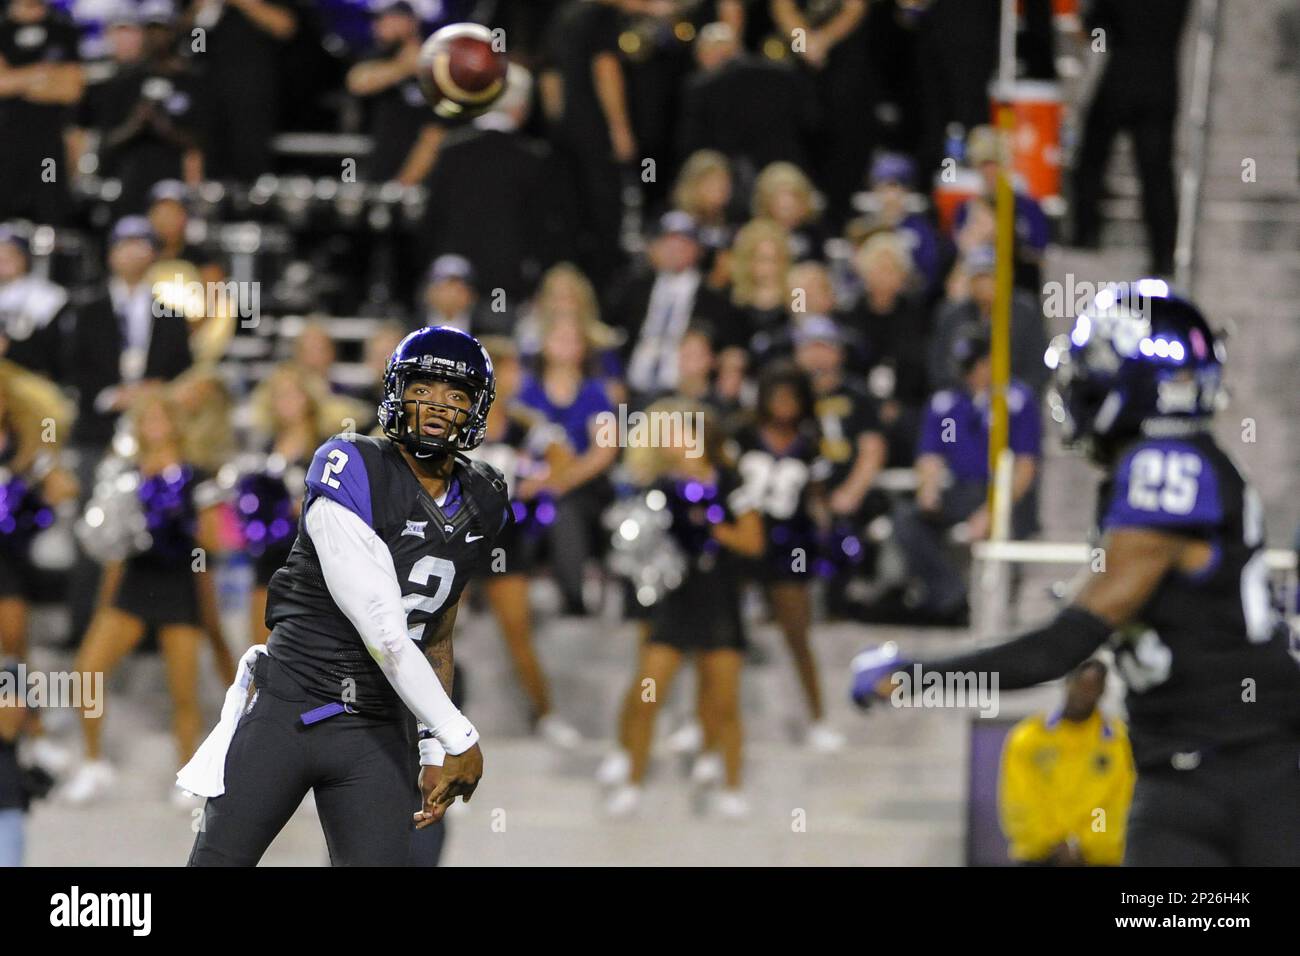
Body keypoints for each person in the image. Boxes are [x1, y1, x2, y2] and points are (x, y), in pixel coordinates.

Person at [853, 285, 1300, 865]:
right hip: (1178, 767)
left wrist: (917, 679)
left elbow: (1061, 648)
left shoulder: (1167, 464)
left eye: (1092, 374)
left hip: (1254, 769)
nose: (1079, 389)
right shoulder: (1158, 467)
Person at [186, 326, 511, 866]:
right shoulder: (350, 462)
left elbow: (437, 630)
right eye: (423, 388)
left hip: (378, 728)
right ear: (396, 391)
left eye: (456, 395)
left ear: (476, 409)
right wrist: (458, 733)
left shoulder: (484, 495)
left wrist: (432, 741)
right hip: (292, 706)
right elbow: (384, 629)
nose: (437, 405)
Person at [61, 384, 227, 804]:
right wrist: (105, 601)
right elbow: (112, 549)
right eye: (146, 419)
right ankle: (94, 762)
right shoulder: (126, 475)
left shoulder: (196, 475)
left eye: (161, 418)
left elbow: (213, 543)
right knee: (87, 672)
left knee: (184, 690)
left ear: (174, 423)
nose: (154, 426)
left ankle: (189, 775)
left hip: (179, 587)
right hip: (135, 584)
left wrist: (195, 526)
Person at [603, 400, 764, 818]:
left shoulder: (731, 484)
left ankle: (731, 786)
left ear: (703, 439)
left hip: (719, 600)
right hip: (674, 601)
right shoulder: (660, 488)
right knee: (648, 691)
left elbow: (753, 541)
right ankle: (632, 781)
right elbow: (631, 540)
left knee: (723, 699)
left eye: (683, 433)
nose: (674, 442)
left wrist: (712, 528)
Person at [468, 337, 582, 748]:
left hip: (503, 542)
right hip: (455, 538)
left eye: (515, 370)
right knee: (430, 629)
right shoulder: (459, 421)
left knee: (518, 634)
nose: (513, 378)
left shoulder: (526, 425)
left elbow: (565, 461)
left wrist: (542, 483)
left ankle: (546, 714)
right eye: (505, 370)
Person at [730, 361, 842, 752]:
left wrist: (826, 535)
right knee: (718, 634)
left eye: (791, 398)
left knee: (797, 634)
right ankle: (700, 719)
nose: (783, 405)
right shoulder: (741, 436)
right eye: (776, 397)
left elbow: (817, 499)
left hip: (790, 546)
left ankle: (817, 718)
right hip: (743, 541)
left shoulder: (809, 444)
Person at [894, 328, 1040, 624]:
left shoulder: (1017, 401)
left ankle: (974, 606)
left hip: (1001, 493)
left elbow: (1025, 466)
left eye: (977, 364)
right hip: (959, 489)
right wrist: (929, 489)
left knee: (1007, 527)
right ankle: (950, 595)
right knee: (907, 520)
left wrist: (991, 512)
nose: (972, 372)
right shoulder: (945, 402)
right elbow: (931, 454)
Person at [516, 292, 620, 615]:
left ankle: (574, 597)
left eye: (572, 339)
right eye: (557, 338)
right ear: (544, 344)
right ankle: (503, 589)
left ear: (583, 348)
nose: (564, 345)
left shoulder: (595, 393)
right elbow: (511, 441)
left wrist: (557, 482)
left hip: (580, 489)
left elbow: (604, 451)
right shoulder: (525, 390)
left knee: (562, 509)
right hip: (529, 482)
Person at [1071, 0, 1190, 276]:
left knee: (1091, 156)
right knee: (1157, 175)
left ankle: (1085, 233)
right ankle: (1163, 255)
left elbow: (1094, 23)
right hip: (1163, 84)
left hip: (1120, 79)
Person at [999, 660, 1135, 866]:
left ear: (1102, 691)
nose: (1084, 693)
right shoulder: (1029, 738)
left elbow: (1113, 805)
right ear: (1067, 683)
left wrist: (1086, 844)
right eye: (1080, 684)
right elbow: (1021, 799)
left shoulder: (1117, 742)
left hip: (1094, 860)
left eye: (1092, 687)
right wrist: (1053, 842)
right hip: (1039, 858)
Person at [607, 211, 731, 403]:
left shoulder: (714, 300)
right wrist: (611, 376)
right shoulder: (633, 288)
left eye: (684, 242)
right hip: (630, 391)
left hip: (685, 394)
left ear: (698, 249)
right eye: (668, 242)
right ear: (655, 247)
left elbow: (728, 349)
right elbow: (608, 333)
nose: (675, 249)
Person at [0, 0, 84, 225]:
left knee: (50, 212)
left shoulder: (63, 28)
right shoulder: (2, 27)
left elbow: (71, 89)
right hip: (6, 143)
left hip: (49, 146)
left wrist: (15, 78)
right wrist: (44, 74)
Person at [344, 0, 438, 185]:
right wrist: (405, 66)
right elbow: (357, 82)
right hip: (376, 173)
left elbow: (435, 133)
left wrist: (402, 184)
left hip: (421, 179)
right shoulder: (379, 57)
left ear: (411, 21)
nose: (377, 25)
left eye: (386, 18)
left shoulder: (437, 67)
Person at [0, 226, 67, 379]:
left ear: (24, 258)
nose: (2, 260)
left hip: (28, 375)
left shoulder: (49, 296)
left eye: (9, 254)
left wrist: (9, 347)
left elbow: (52, 351)